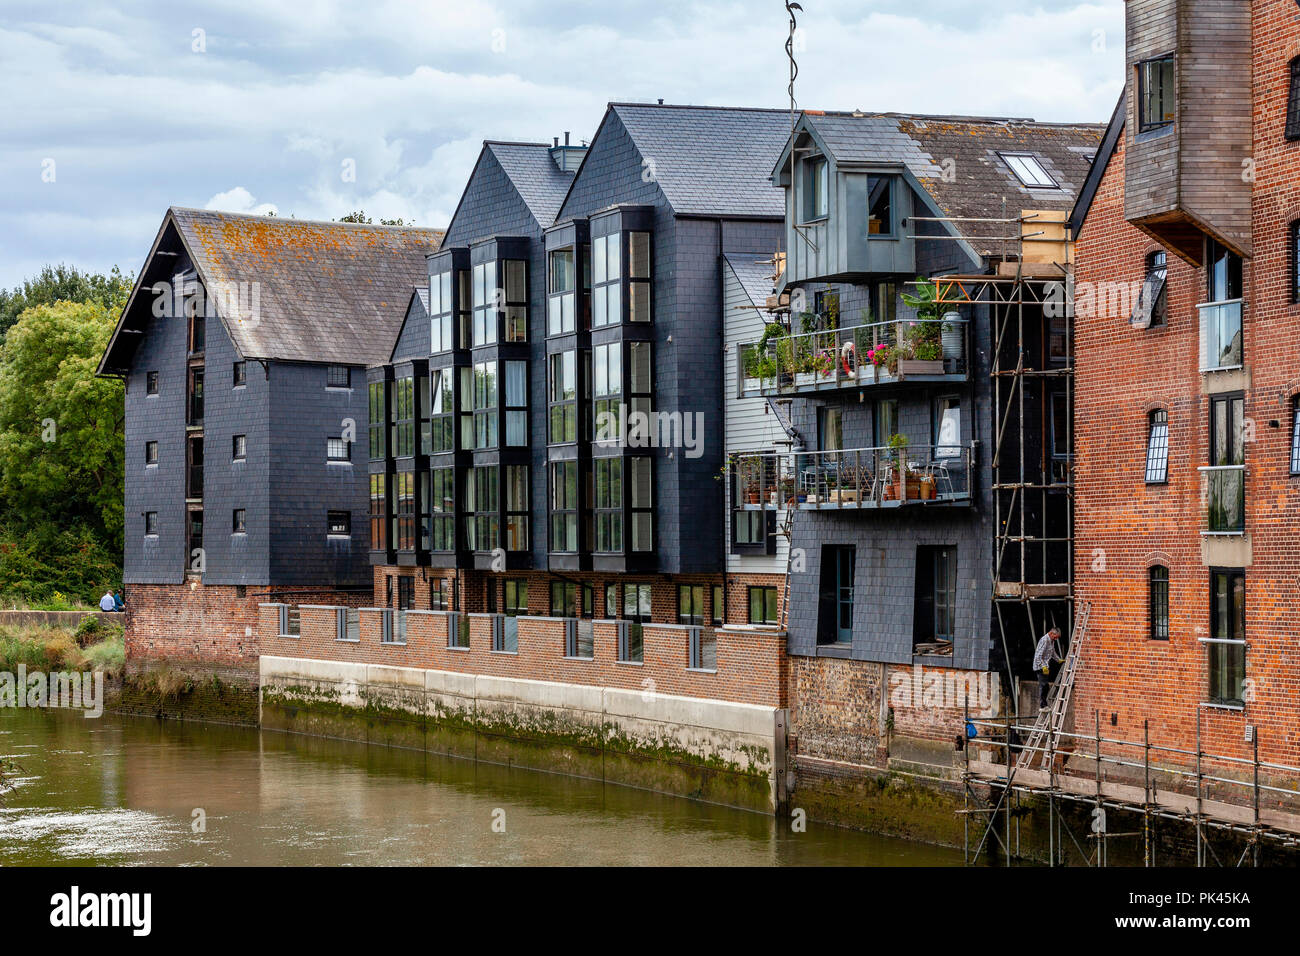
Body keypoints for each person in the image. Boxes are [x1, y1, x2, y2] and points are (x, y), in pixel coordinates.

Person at [1033, 626, 1064, 710]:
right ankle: (1042, 706)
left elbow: (1052, 652)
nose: (1056, 639)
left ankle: (1044, 704)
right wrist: (1043, 666)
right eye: (1055, 637)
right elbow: (1038, 655)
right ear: (1051, 633)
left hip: (1045, 666)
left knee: (1046, 686)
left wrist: (1058, 660)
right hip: (1040, 666)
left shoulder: (1051, 641)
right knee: (1043, 685)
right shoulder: (1044, 640)